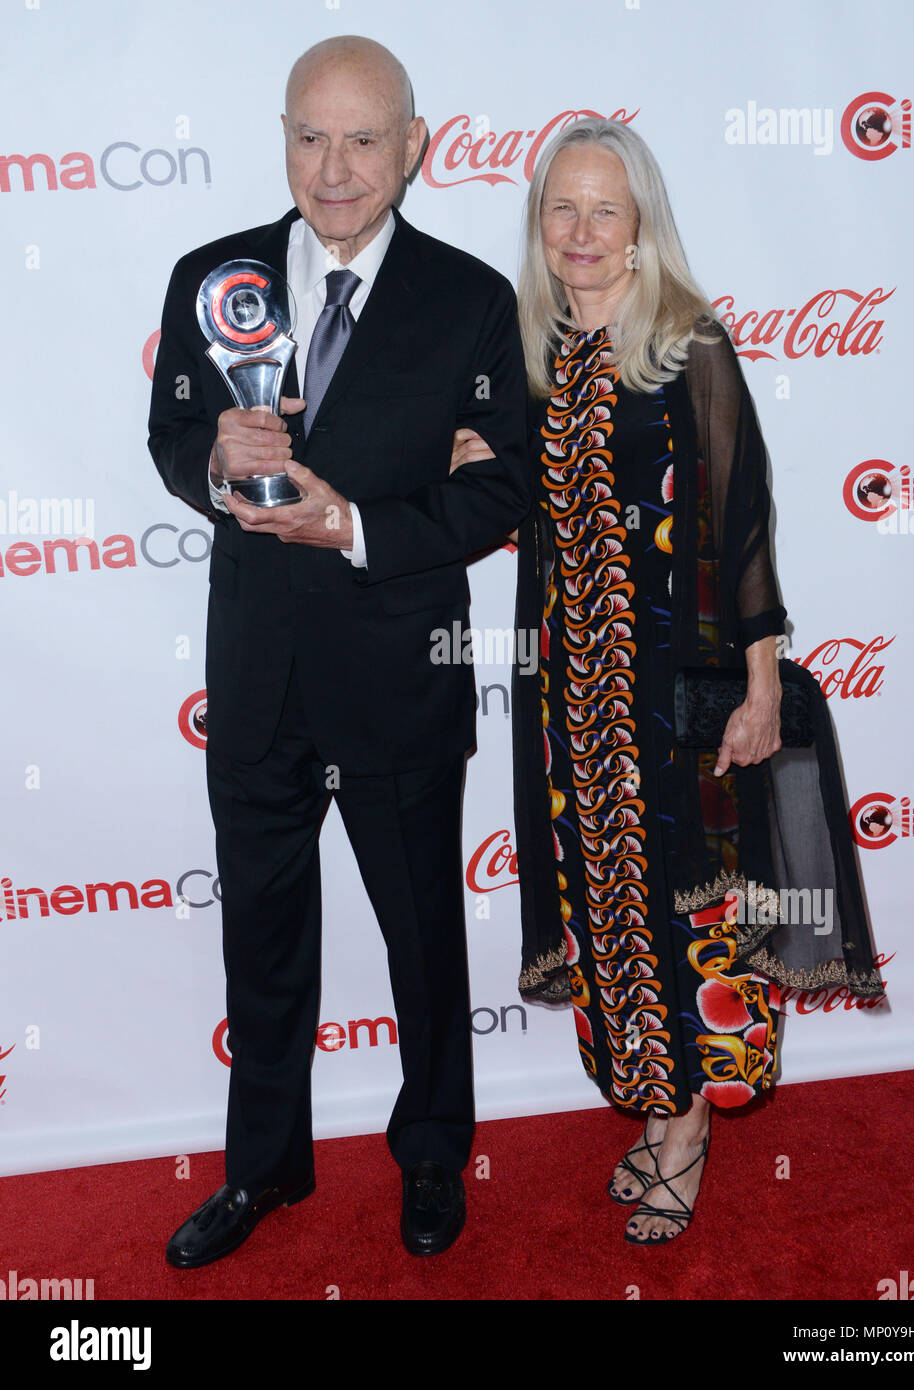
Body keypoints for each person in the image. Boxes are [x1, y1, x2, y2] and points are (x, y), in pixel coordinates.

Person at [453, 117, 884, 1244]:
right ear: (538, 224)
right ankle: (652, 1100)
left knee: (683, 914)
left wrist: (756, 687)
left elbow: (744, 530)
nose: (580, 231)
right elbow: (512, 505)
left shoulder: (686, 344)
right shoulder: (530, 352)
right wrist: (469, 461)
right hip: (568, 701)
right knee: (606, 918)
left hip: (676, 698)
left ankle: (685, 1125)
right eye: (561, 208)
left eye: (604, 209)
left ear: (640, 226)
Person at [148, 35, 529, 1265]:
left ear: (413, 146)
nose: (336, 165)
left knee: (423, 940)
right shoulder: (212, 277)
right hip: (257, 681)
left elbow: (500, 494)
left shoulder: (472, 299)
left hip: (398, 676)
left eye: (364, 137)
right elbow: (168, 437)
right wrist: (214, 460)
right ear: (283, 137)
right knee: (260, 947)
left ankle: (430, 1158)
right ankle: (262, 1173)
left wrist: (356, 525)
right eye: (311, 134)